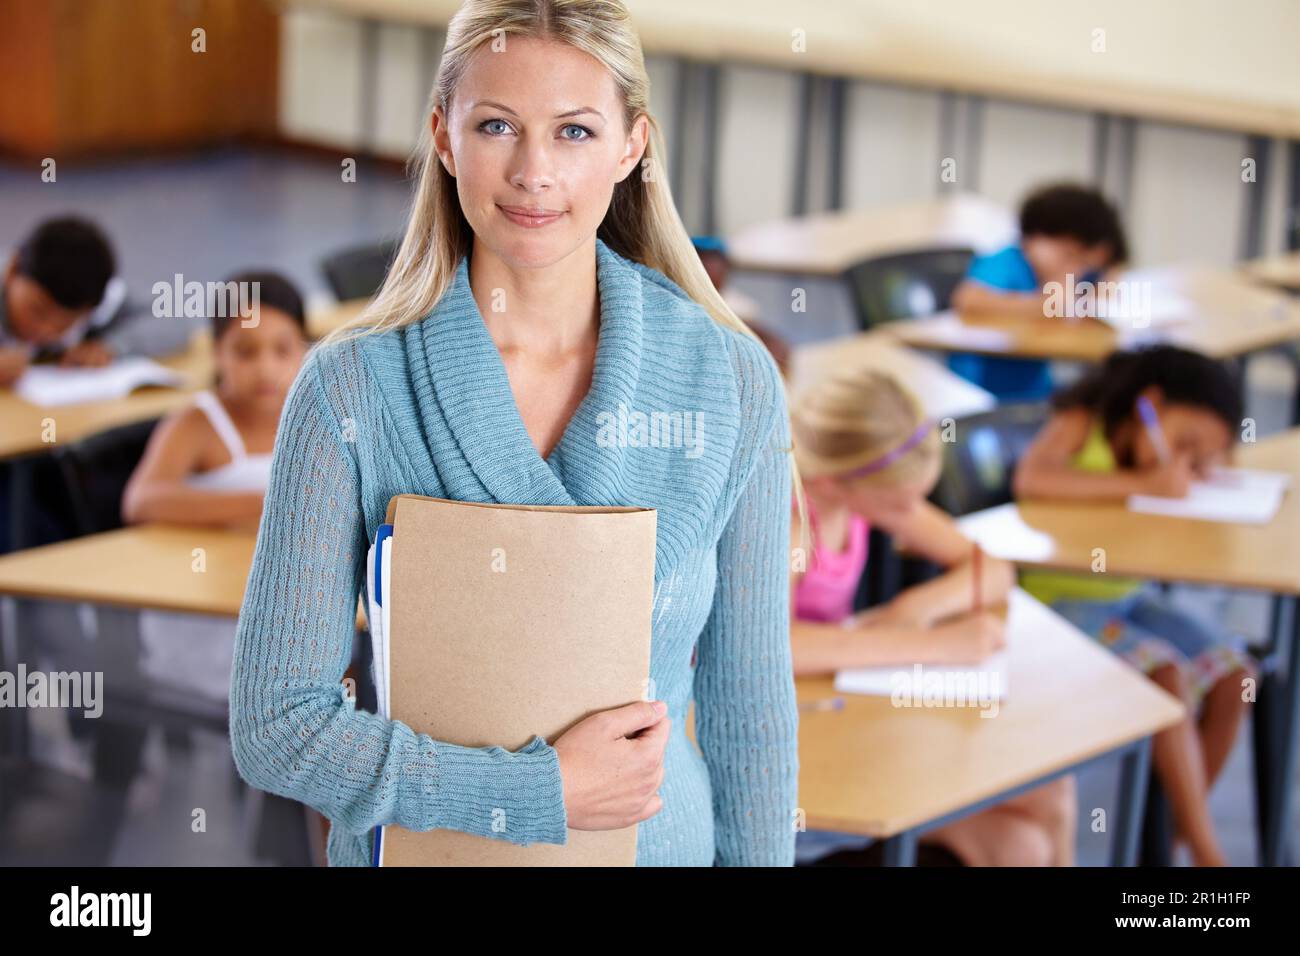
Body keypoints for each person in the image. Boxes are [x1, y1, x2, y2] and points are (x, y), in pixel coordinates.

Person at [229, 0, 800, 867]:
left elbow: (749, 714)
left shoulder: (730, 379)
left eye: (574, 132)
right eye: (497, 125)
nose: (535, 172)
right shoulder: (350, 387)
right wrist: (537, 793)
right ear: (444, 138)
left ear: (632, 146)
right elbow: (275, 725)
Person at [790, 367, 1076, 866]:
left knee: (1048, 798)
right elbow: (775, 645)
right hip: (797, 753)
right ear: (836, 479)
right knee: (1023, 837)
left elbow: (992, 570)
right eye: (899, 503)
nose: (911, 515)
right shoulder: (789, 518)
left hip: (841, 709)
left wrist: (915, 607)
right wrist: (936, 645)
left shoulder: (864, 492)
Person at [1013, 344, 1253, 866]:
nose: (1187, 460)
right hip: (1061, 600)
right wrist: (1142, 483)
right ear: (1149, 403)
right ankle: (1210, 857)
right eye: (1185, 442)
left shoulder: (1165, 458)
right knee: (1165, 676)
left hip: (1128, 596)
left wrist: (1197, 472)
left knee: (1237, 676)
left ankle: (1174, 838)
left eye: (1201, 455)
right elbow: (1032, 478)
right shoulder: (1085, 421)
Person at [949, 183, 1129, 402]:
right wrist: (1047, 305)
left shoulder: (1049, 275)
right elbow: (968, 299)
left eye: (1080, 261)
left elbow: (1109, 274)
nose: (1073, 267)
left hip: (1034, 391)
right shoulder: (1007, 261)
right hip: (985, 391)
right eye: (1068, 255)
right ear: (1034, 238)